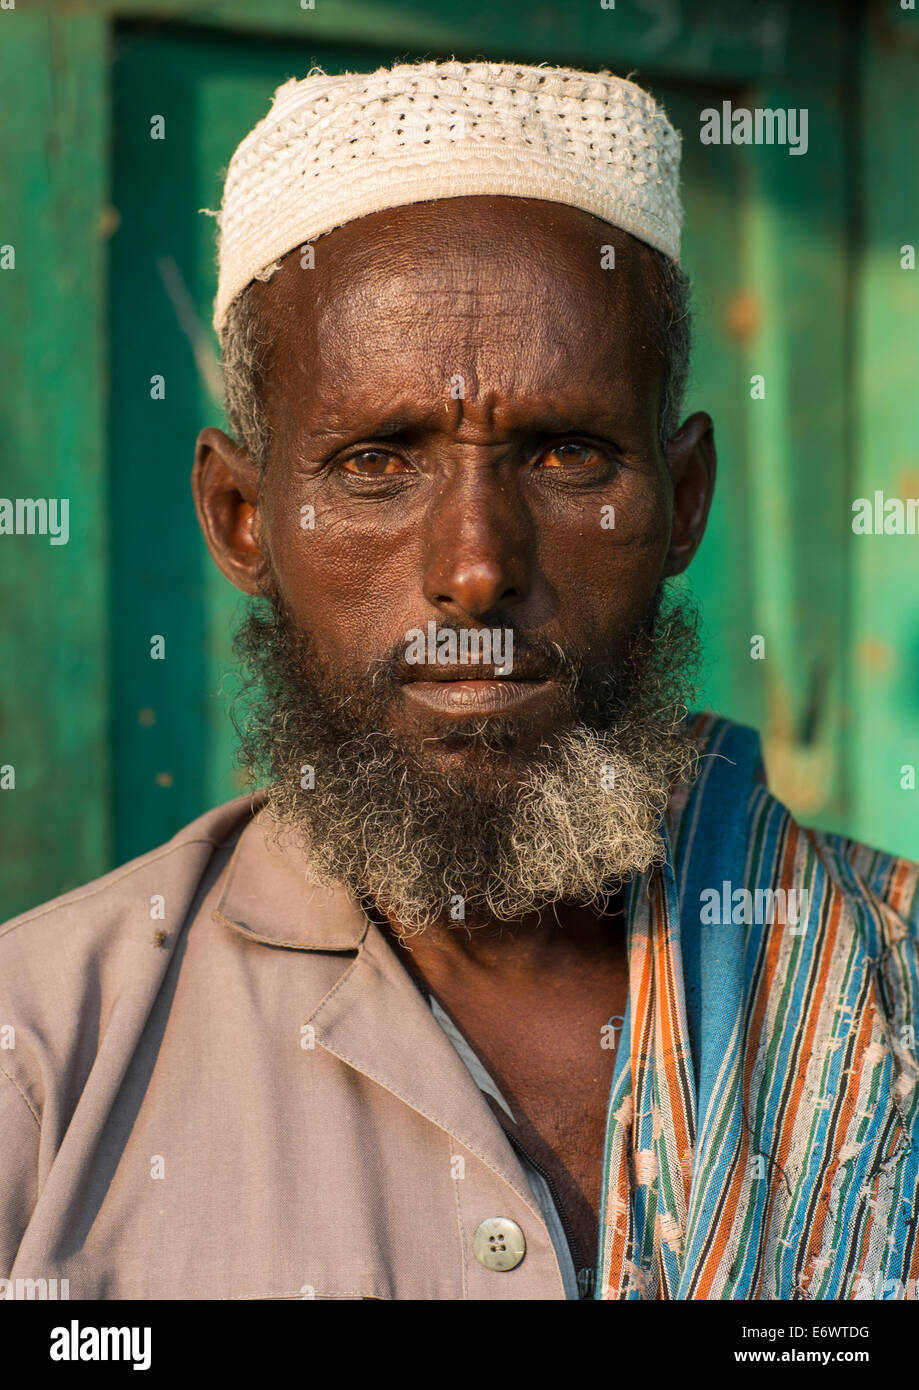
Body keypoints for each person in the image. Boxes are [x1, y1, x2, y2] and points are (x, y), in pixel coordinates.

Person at [2, 60, 917, 1302]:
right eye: (378, 462)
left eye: (566, 453)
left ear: (683, 499)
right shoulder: (43, 1063)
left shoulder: (889, 983)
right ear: (240, 517)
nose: (478, 567)